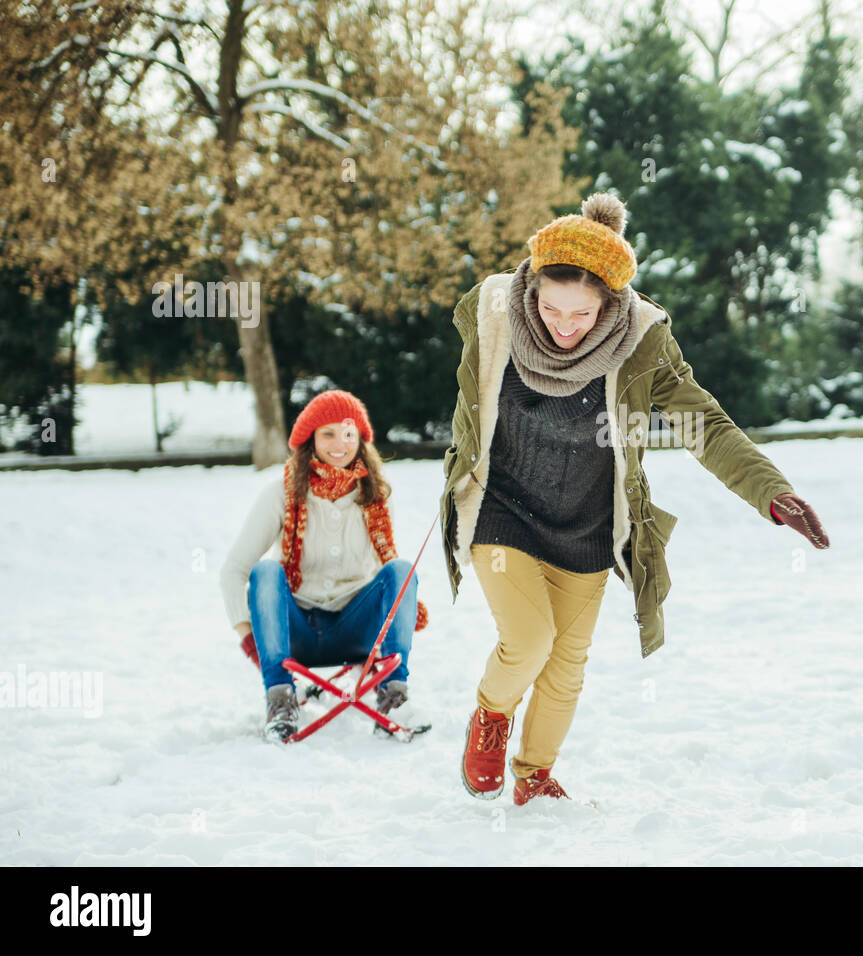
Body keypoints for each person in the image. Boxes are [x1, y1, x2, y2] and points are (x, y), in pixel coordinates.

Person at [440, 192, 830, 804]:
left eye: (582, 315)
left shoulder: (642, 342)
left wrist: (772, 493)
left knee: (568, 664)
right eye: (550, 308)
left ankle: (534, 775)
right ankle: (491, 714)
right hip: (502, 508)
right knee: (529, 638)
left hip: (590, 522)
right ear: (530, 289)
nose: (564, 327)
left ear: (613, 303)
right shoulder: (494, 316)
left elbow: (706, 425)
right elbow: (470, 403)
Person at [220, 389, 428, 742]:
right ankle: (281, 699)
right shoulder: (280, 494)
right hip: (295, 632)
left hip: (356, 630)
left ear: (360, 439)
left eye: (347, 434)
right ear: (310, 440)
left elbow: (389, 572)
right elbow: (233, 571)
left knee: (402, 570)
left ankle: (393, 694)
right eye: (327, 434)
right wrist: (250, 640)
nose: (338, 444)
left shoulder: (375, 496)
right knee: (265, 572)